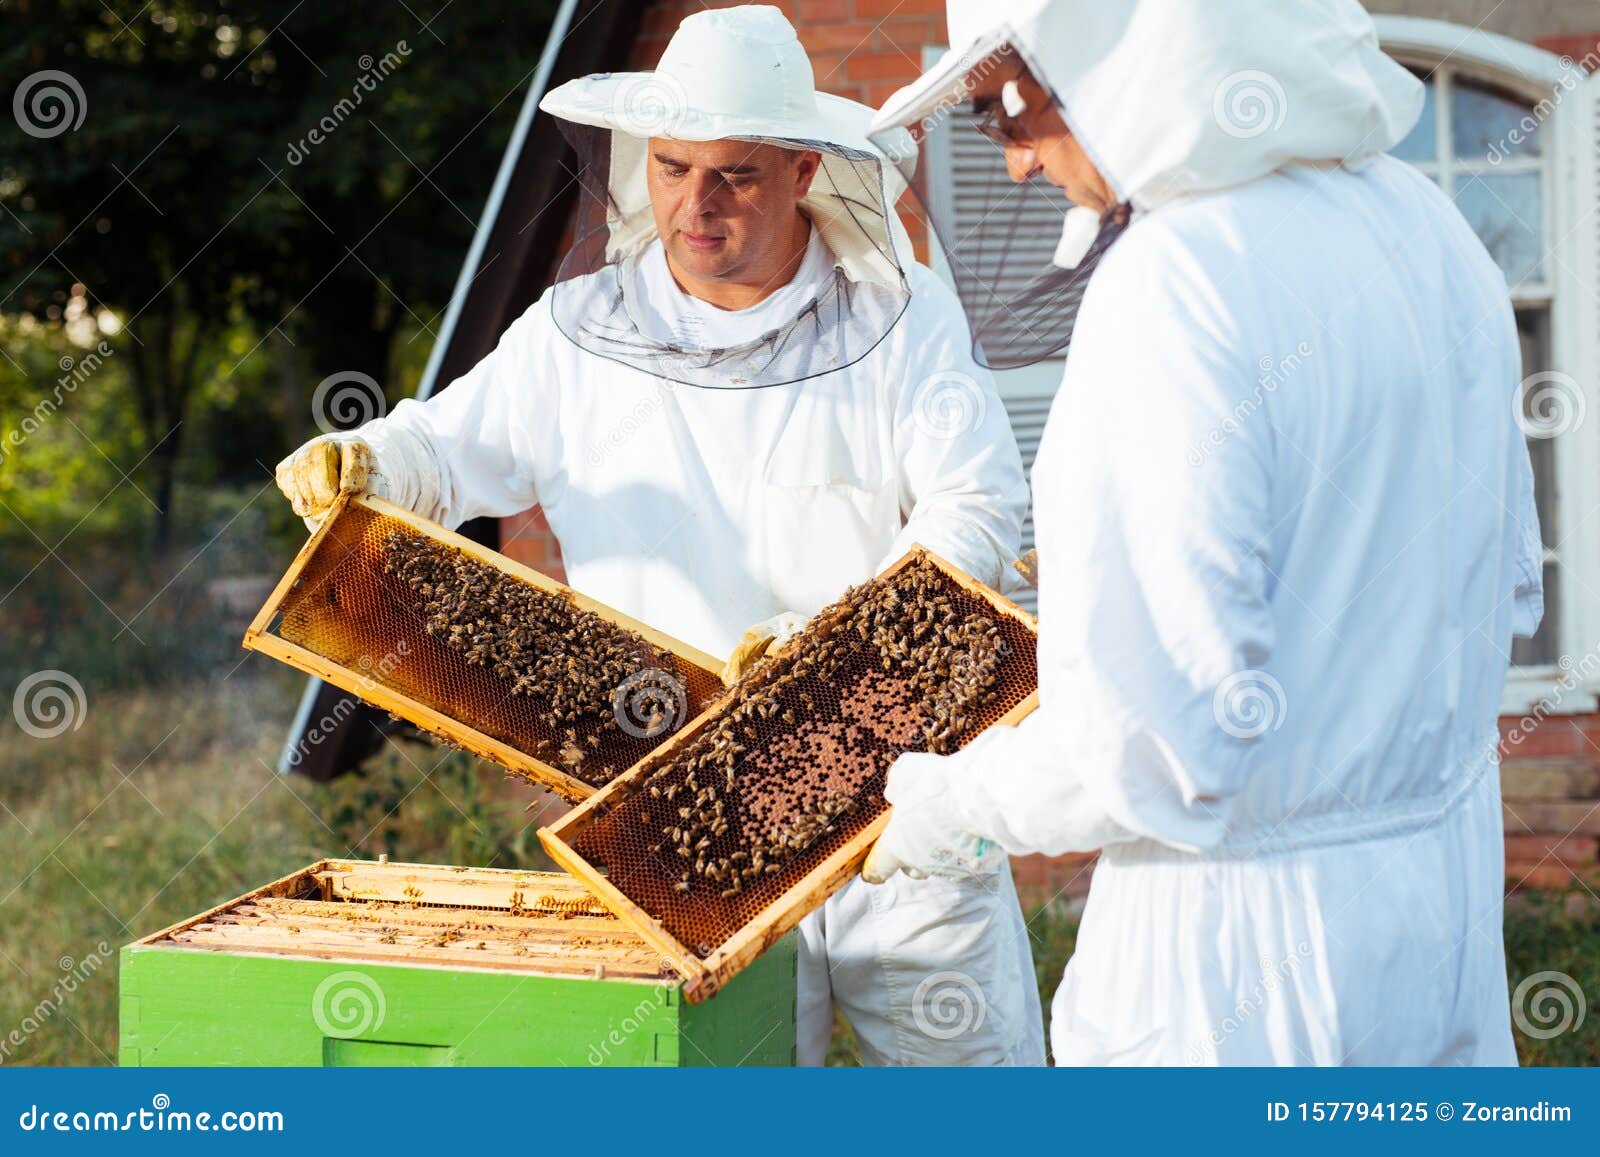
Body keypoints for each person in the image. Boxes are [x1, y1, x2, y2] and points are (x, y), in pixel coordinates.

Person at [275, 5, 1043, 1067]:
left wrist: (825, 651)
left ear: (803, 171)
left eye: (733, 173)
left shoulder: (899, 321)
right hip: (677, 828)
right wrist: (368, 464)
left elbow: (977, 513)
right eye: (673, 167)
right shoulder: (570, 335)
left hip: (891, 816)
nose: (695, 202)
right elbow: (444, 451)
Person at [863, 0, 1543, 1065]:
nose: (1017, 168)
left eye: (1008, 114)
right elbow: (1507, 590)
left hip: (1238, 973)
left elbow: (1154, 748)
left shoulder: (1173, 279)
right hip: (1440, 918)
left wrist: (942, 801)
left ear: (1107, 60)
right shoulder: (1431, 226)